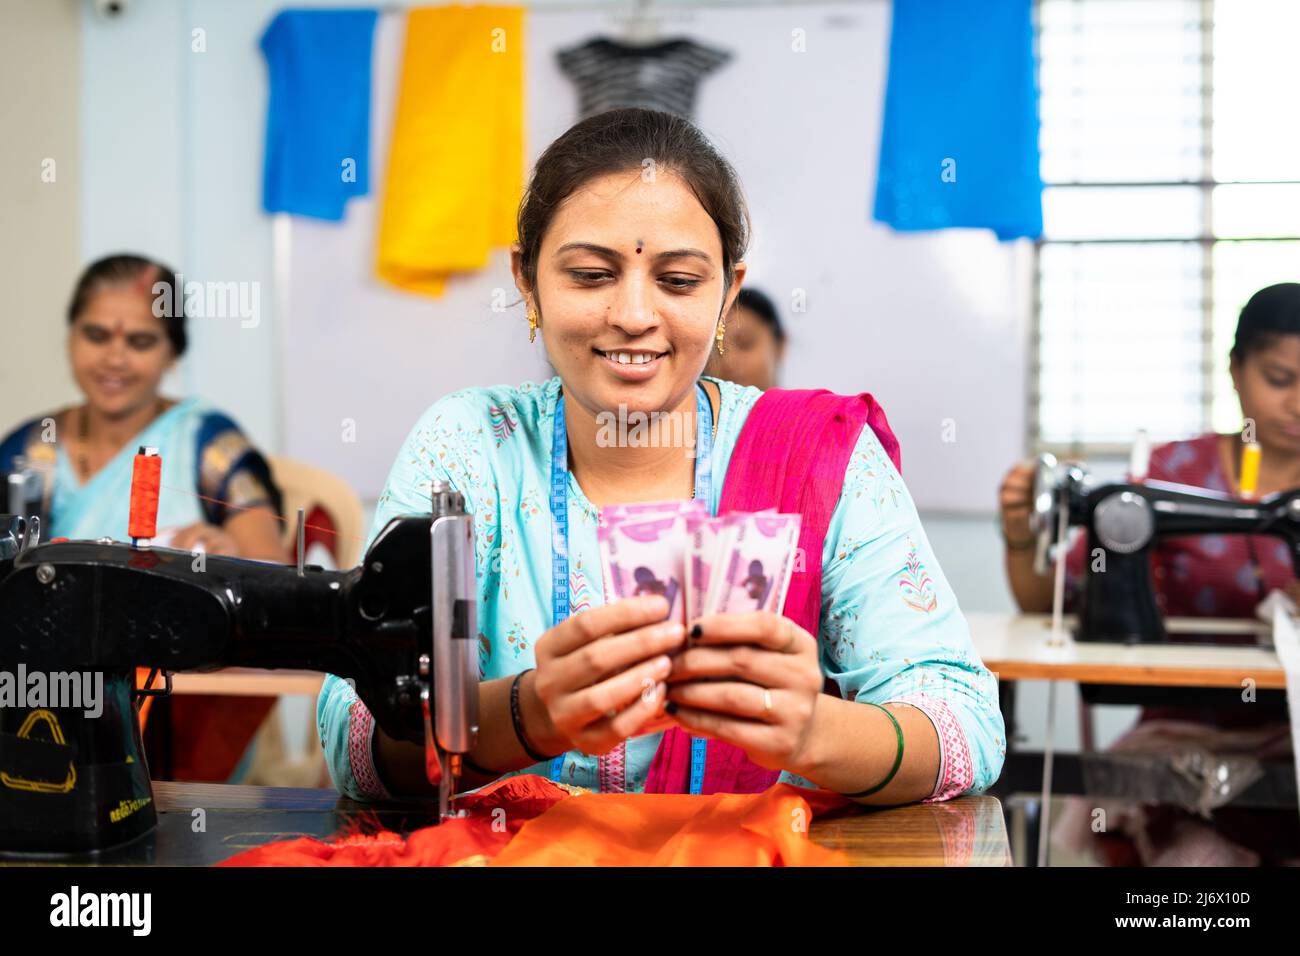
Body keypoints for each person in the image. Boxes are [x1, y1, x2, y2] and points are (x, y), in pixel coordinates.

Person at [318, 108, 1004, 807]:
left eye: (678, 281)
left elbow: (966, 728)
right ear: (526, 281)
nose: (635, 315)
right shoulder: (467, 446)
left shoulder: (823, 458)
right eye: (590, 275)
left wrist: (815, 732)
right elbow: (357, 741)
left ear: (727, 293)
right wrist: (526, 716)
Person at [997, 281, 1300, 865]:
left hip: (1293, 732)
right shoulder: (1169, 472)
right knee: (1195, 859)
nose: (1297, 404)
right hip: (1180, 734)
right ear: (1236, 370)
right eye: (1280, 380)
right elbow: (1049, 603)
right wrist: (1018, 535)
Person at [0, 253, 287, 781]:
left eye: (140, 341)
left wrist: (225, 552)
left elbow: (270, 567)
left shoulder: (208, 443)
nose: (115, 359)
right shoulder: (30, 450)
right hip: (45, 702)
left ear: (172, 354)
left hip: (180, 715)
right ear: (70, 339)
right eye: (96, 335)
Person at [704, 286, 786, 390]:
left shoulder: (807, 405)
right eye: (715, 349)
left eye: (744, 343)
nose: (729, 362)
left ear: (780, 345)